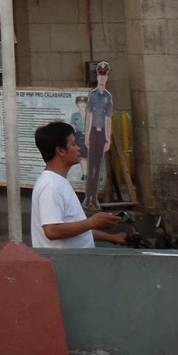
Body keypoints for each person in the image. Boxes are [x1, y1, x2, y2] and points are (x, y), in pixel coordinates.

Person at [31, 120, 127, 250]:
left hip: (78, 259)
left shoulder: (58, 181)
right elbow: (52, 230)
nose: (78, 148)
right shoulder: (51, 185)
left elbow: (76, 229)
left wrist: (113, 238)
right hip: (64, 261)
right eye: (73, 144)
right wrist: (92, 222)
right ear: (61, 150)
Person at [82, 62, 114, 212]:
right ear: (97, 77)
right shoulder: (93, 95)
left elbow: (108, 119)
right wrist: (87, 136)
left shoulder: (108, 97)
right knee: (91, 167)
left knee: (98, 167)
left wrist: (108, 139)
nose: (102, 78)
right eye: (100, 75)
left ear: (107, 77)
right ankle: (88, 197)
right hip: (93, 133)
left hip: (102, 135)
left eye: (104, 75)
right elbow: (89, 116)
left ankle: (93, 198)